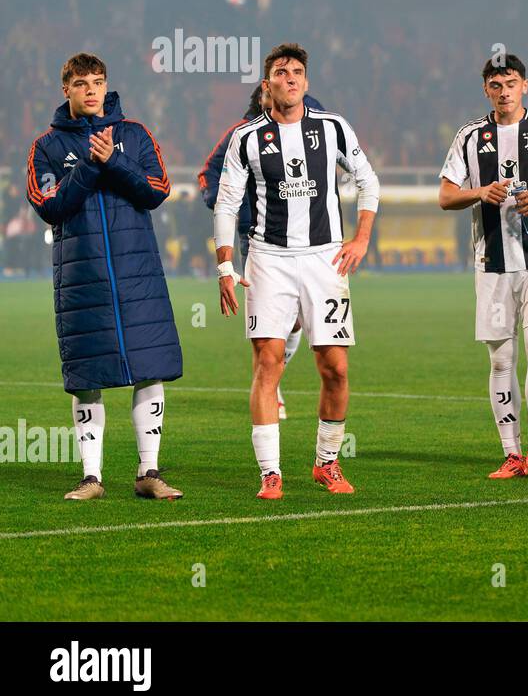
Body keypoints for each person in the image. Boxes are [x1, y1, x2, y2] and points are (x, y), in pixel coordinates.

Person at [213, 43, 380, 499]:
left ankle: (326, 463)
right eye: (281, 72)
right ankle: (271, 472)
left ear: (306, 82)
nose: (290, 78)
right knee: (268, 364)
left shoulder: (333, 129)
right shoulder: (246, 138)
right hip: (268, 260)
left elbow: (368, 181)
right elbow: (227, 202)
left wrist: (362, 238)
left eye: (297, 72)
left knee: (336, 368)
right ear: (267, 85)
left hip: (325, 259)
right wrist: (226, 265)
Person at [26, 52, 183, 501]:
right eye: (81, 83)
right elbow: (51, 206)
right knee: (87, 375)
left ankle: (148, 472)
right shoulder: (47, 147)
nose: (91, 89)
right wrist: (92, 166)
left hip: (137, 273)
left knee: (148, 368)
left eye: (97, 81)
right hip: (82, 277)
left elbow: (157, 191)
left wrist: (114, 159)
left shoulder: (133, 136)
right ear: (66, 90)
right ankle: (91, 478)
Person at [438, 53, 528, 480]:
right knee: (501, 361)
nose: (504, 92)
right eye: (496, 85)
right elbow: (446, 196)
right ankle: (511, 453)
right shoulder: (469, 136)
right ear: (486, 89)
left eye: (511, 83)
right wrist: (480, 191)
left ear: (525, 86)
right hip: (493, 264)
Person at [199, 81, 325, 420]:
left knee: (296, 323)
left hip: (307, 241)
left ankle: (272, 380)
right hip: (256, 237)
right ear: (261, 96)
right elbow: (208, 173)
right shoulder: (242, 133)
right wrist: (229, 204)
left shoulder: (314, 122)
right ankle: (271, 390)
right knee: (267, 327)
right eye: (266, 93)